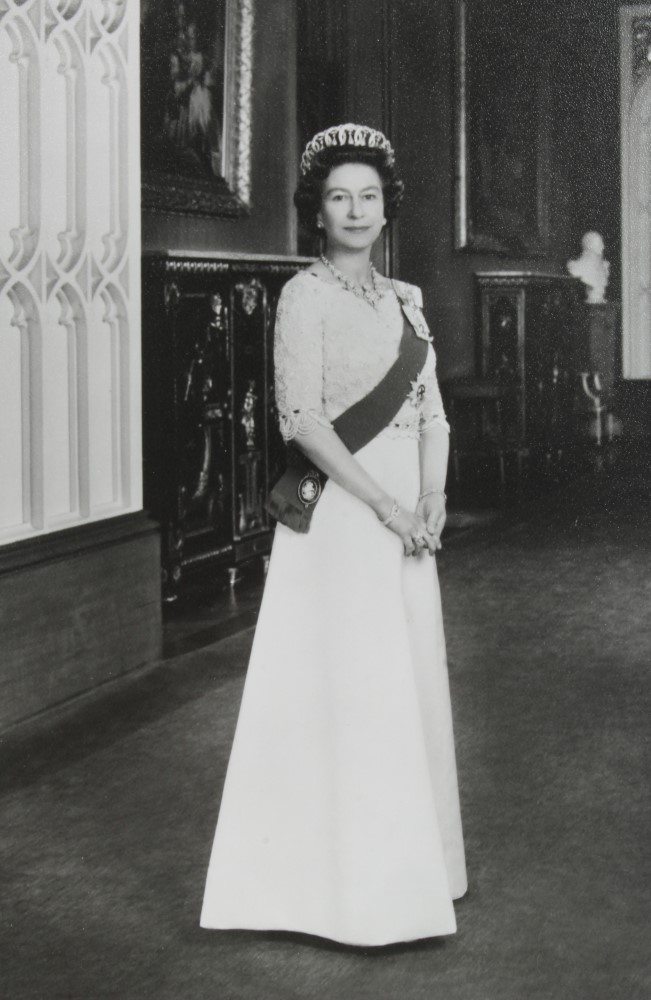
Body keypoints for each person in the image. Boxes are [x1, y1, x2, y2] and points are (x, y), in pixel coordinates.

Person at [200, 123, 467, 947]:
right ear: (316, 213)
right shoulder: (303, 297)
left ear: (388, 209)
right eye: (337, 197)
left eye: (369, 196)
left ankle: (409, 876)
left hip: (404, 523)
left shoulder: (407, 301)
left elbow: (432, 414)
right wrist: (384, 507)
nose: (355, 210)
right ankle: (328, 895)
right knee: (345, 690)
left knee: (402, 681)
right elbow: (304, 421)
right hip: (343, 519)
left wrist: (430, 496)